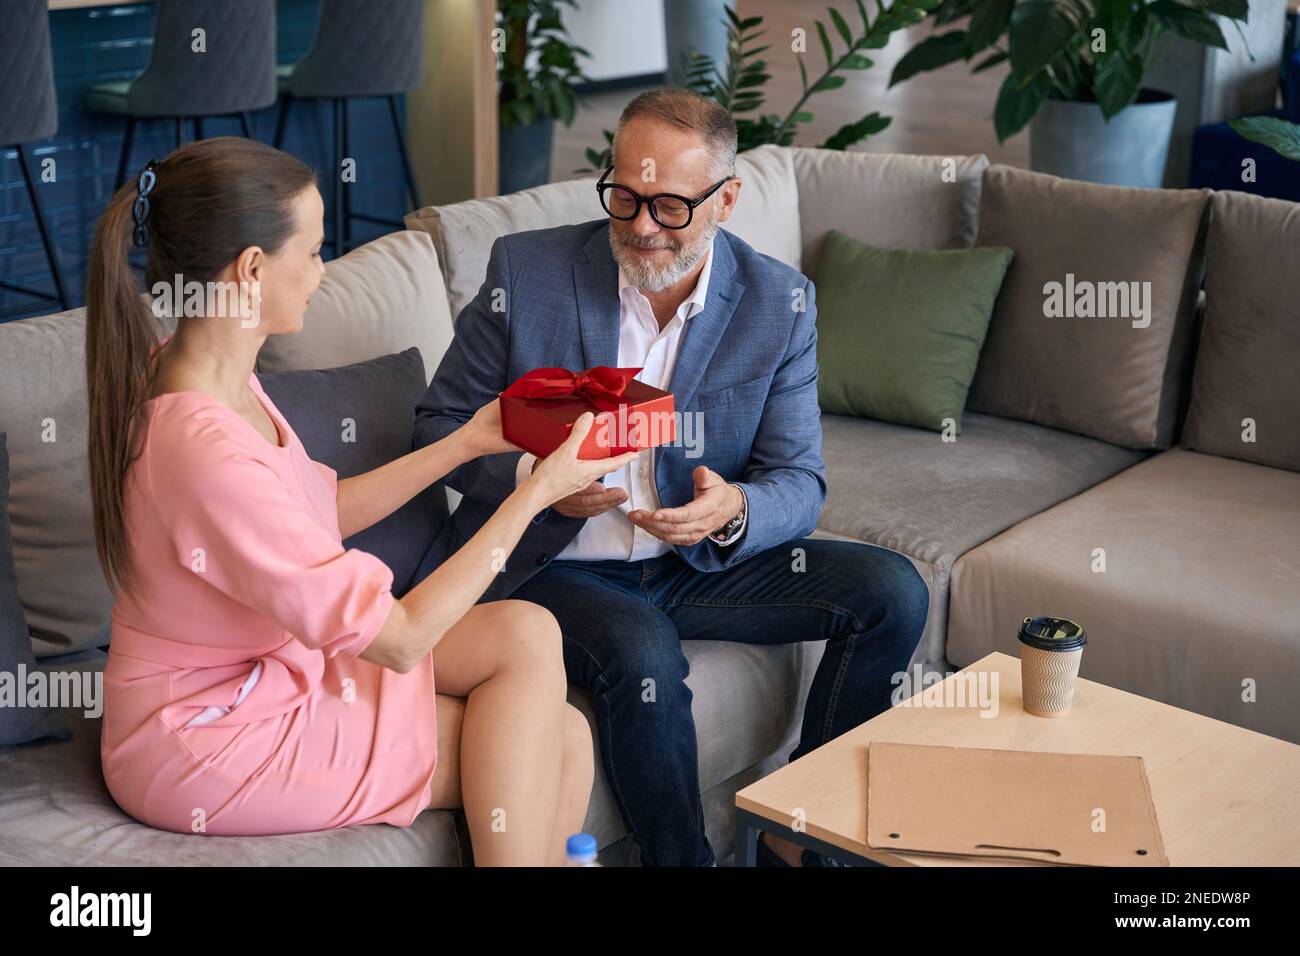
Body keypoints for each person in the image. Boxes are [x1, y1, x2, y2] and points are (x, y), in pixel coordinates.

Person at [412, 89, 930, 867]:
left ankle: (804, 841)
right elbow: (441, 424)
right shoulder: (528, 272)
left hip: (694, 563)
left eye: (669, 206)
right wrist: (537, 478)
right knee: (643, 649)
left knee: (893, 591)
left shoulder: (777, 302)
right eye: (624, 196)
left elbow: (799, 478)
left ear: (726, 199)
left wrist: (735, 510)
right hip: (556, 565)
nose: (642, 225)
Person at [85, 137, 636, 865]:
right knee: (547, 747)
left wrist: (466, 442)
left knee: (535, 652)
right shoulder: (202, 449)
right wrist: (536, 495)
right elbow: (401, 637)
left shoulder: (210, 373)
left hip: (272, 674)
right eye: (313, 252)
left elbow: (316, 512)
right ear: (252, 269)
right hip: (209, 738)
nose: (323, 271)